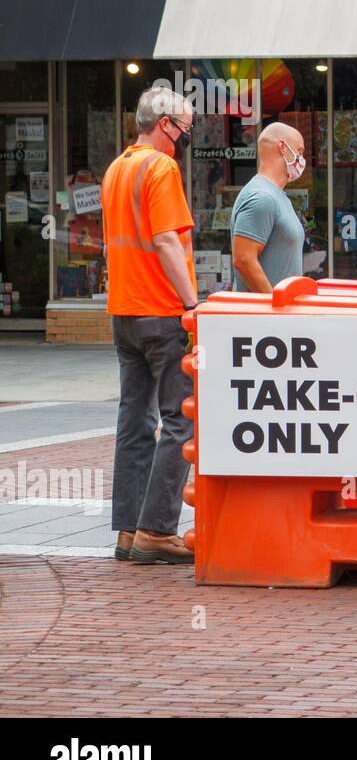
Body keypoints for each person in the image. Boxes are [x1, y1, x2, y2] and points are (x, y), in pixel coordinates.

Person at [101, 86, 198, 565]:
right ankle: (157, 531)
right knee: (181, 420)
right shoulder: (161, 167)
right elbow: (165, 240)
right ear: (164, 124)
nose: (183, 138)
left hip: (124, 312)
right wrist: (192, 303)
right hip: (161, 313)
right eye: (183, 128)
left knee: (134, 422)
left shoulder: (118, 167)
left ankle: (127, 530)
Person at [230, 122, 307, 292]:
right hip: (264, 316)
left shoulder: (277, 196)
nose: (301, 161)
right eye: (299, 152)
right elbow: (243, 259)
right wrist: (273, 304)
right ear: (282, 147)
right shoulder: (262, 197)